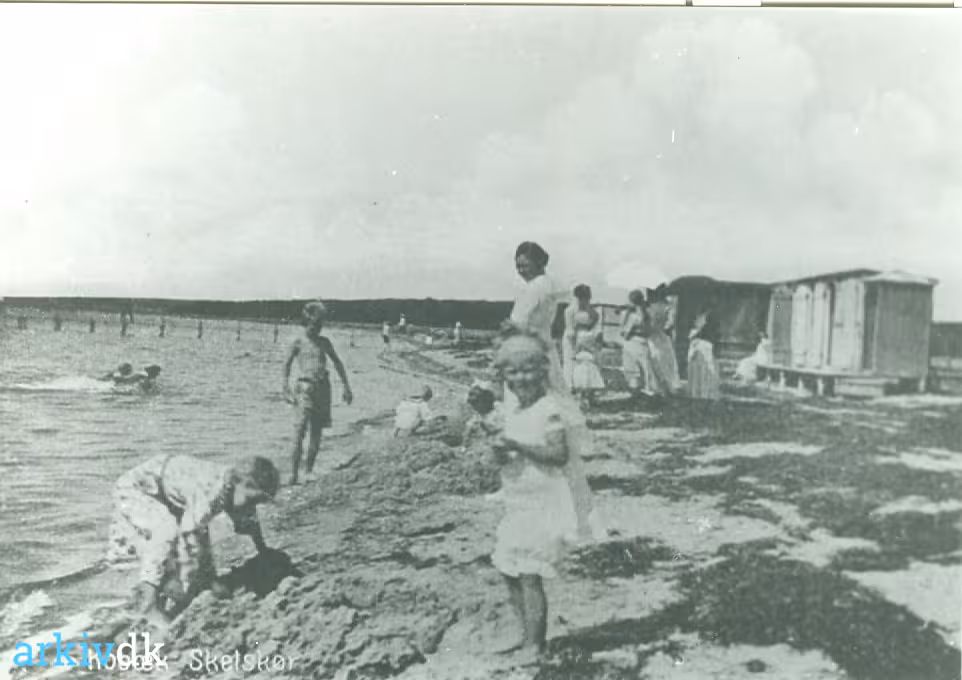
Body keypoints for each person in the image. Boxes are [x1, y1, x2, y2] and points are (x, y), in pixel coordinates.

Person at [490, 333, 601, 663]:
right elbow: (510, 452)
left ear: (542, 371)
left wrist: (517, 445)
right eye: (512, 372)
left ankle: (535, 643)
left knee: (529, 572)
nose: (520, 378)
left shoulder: (549, 409)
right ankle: (523, 631)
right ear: (503, 376)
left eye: (528, 370)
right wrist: (501, 452)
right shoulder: (514, 410)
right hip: (518, 500)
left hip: (543, 503)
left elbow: (557, 454)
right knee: (508, 568)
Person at [106, 454, 279, 624]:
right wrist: (189, 575)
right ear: (234, 482)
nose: (253, 506)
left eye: (259, 502)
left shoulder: (234, 489)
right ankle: (148, 603)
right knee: (165, 532)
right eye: (252, 500)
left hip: (168, 490)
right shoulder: (209, 493)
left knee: (194, 537)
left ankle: (185, 587)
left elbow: (247, 521)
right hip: (137, 489)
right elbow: (190, 537)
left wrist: (262, 550)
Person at [283, 301, 353, 485]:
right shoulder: (298, 342)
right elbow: (286, 365)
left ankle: (308, 471)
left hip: (323, 388)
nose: (318, 328)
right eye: (315, 324)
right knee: (299, 431)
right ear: (306, 321)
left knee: (316, 432)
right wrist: (285, 388)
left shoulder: (324, 342)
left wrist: (346, 387)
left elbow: (337, 362)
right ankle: (292, 474)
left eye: (321, 324)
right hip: (304, 388)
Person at [563, 285, 605, 407]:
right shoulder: (570, 311)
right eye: (581, 298)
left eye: (586, 298)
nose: (584, 301)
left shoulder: (592, 311)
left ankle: (589, 394)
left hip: (587, 338)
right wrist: (576, 344)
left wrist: (591, 341)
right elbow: (570, 329)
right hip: (572, 340)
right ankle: (573, 394)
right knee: (572, 365)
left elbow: (595, 323)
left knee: (589, 365)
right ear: (576, 297)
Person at [645, 284, 682, 396]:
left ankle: (658, 389)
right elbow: (669, 324)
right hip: (662, 336)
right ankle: (666, 389)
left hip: (652, 336)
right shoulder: (667, 306)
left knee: (655, 362)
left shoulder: (648, 307)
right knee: (665, 364)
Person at [620, 290, 653, 399]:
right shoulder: (647, 315)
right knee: (645, 367)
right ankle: (647, 390)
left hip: (633, 343)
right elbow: (649, 332)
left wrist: (623, 325)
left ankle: (635, 394)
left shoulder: (633, 317)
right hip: (644, 342)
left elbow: (625, 334)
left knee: (633, 369)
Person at [688, 310, 721, 400]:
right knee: (699, 374)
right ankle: (699, 393)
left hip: (705, 352)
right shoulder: (695, 334)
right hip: (699, 354)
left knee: (706, 374)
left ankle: (704, 394)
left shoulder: (707, 340)